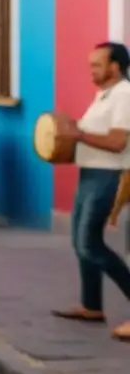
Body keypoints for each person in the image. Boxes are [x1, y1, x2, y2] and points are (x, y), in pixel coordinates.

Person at [53, 42, 130, 341]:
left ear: (114, 67)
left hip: (108, 176)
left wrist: (78, 133)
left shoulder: (124, 95)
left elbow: (117, 142)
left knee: (90, 244)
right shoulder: (103, 96)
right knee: (79, 241)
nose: (91, 70)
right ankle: (91, 305)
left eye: (97, 65)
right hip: (90, 173)